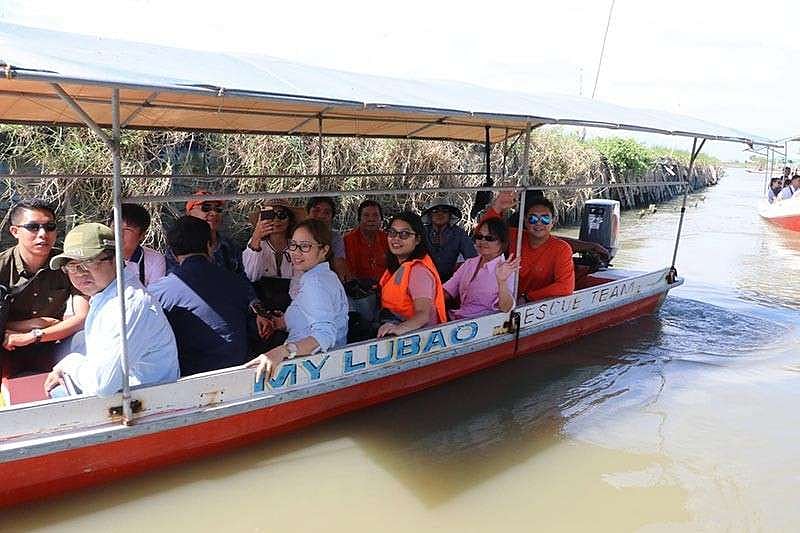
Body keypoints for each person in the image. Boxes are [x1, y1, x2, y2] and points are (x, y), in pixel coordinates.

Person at [44, 223, 179, 398]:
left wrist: (69, 364)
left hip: (148, 404)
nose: (79, 273)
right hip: (129, 396)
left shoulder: (127, 304)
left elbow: (102, 385)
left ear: (115, 259)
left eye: (88, 262)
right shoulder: (106, 293)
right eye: (71, 265)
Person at [149, 216, 270, 376]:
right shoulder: (236, 283)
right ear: (209, 245)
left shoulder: (159, 292)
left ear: (172, 251)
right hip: (239, 372)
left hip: (188, 378)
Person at [247, 219, 349, 381]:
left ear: (324, 250)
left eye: (305, 246)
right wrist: (283, 321)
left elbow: (325, 335)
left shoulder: (314, 282)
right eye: (293, 245)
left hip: (307, 369)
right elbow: (313, 315)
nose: (295, 252)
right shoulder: (324, 275)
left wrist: (281, 352)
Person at [0, 198, 89, 377]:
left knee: (85, 341)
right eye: (33, 227)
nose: (43, 234)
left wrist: (35, 333)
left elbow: (82, 317)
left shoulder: (66, 264)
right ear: (15, 231)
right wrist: (32, 324)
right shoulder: (2, 266)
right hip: (6, 345)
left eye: (50, 227)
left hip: (50, 343)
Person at [482, 192, 575, 302]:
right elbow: (487, 229)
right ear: (525, 221)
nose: (539, 223)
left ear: (553, 221)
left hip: (537, 305)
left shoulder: (562, 249)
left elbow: (566, 286)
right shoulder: (515, 236)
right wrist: (498, 206)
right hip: (505, 300)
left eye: (545, 219)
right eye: (533, 219)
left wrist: (528, 297)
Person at [377, 212, 446, 338]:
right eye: (392, 232)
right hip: (392, 324)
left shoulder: (418, 271)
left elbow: (423, 314)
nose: (396, 238)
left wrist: (398, 329)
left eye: (404, 234)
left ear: (418, 239)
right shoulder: (397, 265)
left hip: (417, 339)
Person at [443, 218, 520, 320]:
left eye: (490, 238)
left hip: (486, 327)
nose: (483, 241)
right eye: (479, 237)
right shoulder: (469, 263)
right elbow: (447, 291)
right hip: (458, 320)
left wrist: (502, 282)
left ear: (502, 242)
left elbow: (506, 308)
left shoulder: (507, 269)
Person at [166, 190, 244, 275]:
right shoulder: (178, 247)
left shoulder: (231, 247)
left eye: (218, 209)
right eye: (205, 208)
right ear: (189, 213)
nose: (214, 213)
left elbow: (243, 280)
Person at [243, 199, 298, 311]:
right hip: (261, 305)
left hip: (293, 304)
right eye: (271, 216)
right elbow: (250, 275)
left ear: (290, 220)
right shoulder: (256, 243)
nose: (276, 220)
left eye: (282, 215)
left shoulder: (297, 246)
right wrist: (257, 236)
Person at [422, 203, 477, 282]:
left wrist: (462, 276)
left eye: (445, 211)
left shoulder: (459, 233)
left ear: (450, 215)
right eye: (435, 211)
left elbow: (472, 258)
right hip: (423, 277)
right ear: (430, 215)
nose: (440, 214)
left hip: (451, 280)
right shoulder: (422, 232)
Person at [116, 203, 166, 286]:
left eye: (127, 229)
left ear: (142, 236)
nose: (119, 234)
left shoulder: (155, 260)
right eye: (115, 227)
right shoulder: (99, 257)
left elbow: (154, 295)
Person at [343, 199, 388, 282]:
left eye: (375, 215)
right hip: (358, 290)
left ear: (381, 219)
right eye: (366, 215)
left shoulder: (388, 239)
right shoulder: (348, 241)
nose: (371, 219)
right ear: (359, 219)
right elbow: (348, 274)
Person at [306, 197, 349, 281]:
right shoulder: (298, 234)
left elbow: (339, 265)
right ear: (308, 214)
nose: (321, 215)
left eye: (327, 212)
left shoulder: (335, 237)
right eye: (316, 211)